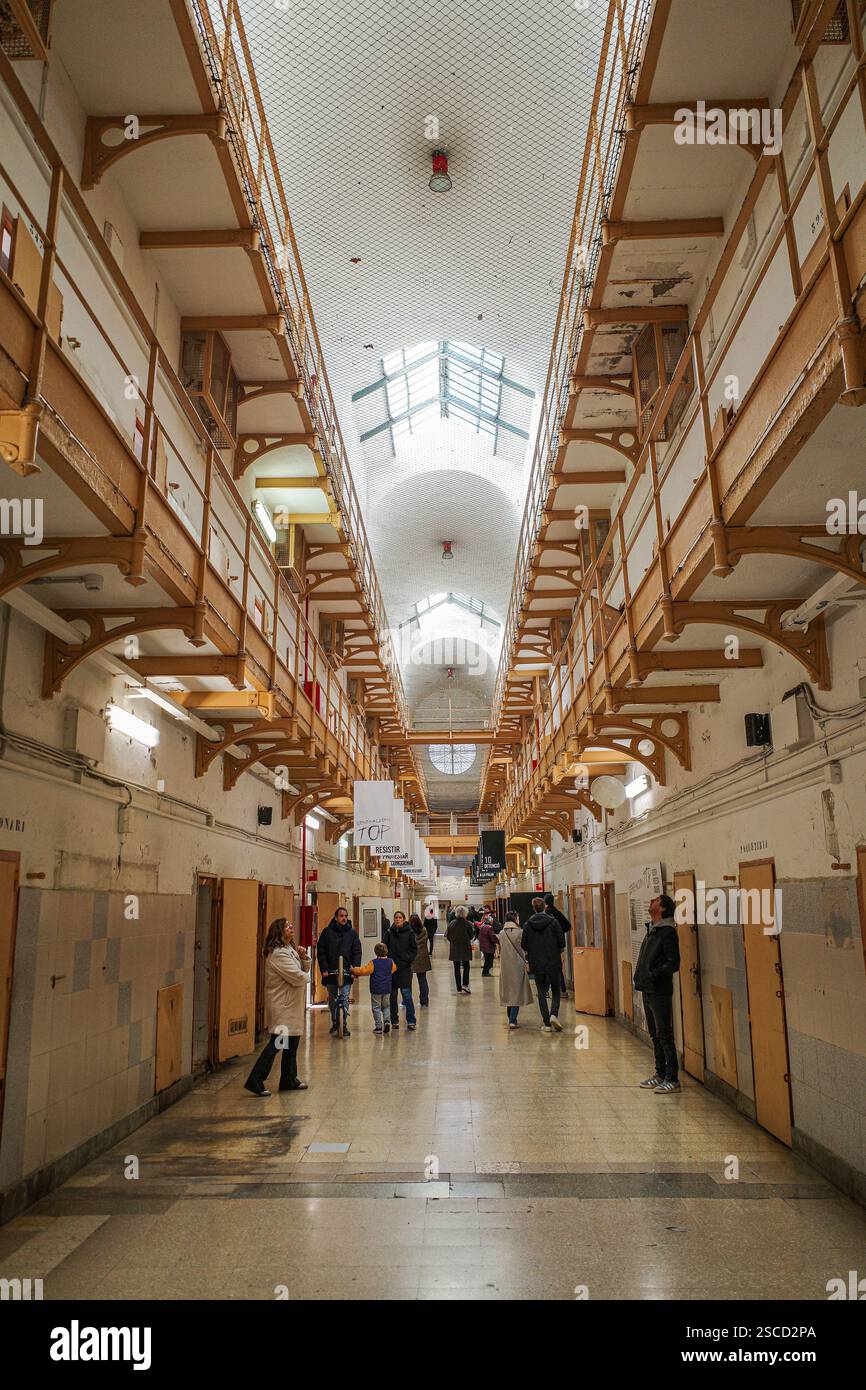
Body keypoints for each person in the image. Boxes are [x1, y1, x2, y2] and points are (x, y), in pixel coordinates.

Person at [244, 918, 310, 1096]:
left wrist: (304, 958)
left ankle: (289, 1078)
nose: (291, 927)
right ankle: (255, 1079)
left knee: (292, 1043)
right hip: (283, 1007)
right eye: (287, 926)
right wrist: (307, 976)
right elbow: (297, 977)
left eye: (291, 925)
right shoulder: (278, 954)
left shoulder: (289, 950)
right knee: (278, 1043)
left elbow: (301, 969)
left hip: (291, 1006)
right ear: (278, 932)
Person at [633, 893, 681, 1093]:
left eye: (656, 900)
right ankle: (660, 1073)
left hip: (659, 990)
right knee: (655, 1034)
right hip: (648, 988)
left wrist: (653, 975)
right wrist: (640, 976)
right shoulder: (653, 930)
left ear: (662, 908)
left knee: (664, 1034)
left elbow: (673, 962)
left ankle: (672, 1078)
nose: (651, 900)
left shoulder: (667, 931)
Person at [316, 904, 361, 1037]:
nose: (344, 918)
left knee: (345, 997)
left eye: (346, 916)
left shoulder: (352, 933)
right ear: (335, 917)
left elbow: (357, 951)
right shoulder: (327, 932)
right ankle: (335, 1022)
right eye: (341, 916)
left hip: (347, 971)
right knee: (333, 998)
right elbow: (321, 951)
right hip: (330, 972)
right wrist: (324, 969)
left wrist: (355, 968)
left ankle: (344, 1024)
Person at [521, 896, 566, 1033]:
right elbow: (561, 942)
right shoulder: (554, 922)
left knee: (541, 991)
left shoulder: (528, 925)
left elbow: (524, 944)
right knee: (556, 990)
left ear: (534, 908)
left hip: (537, 963)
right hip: (553, 962)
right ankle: (554, 1014)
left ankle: (546, 1023)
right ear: (545, 906)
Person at [498, 910, 534, 1028]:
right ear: (515, 919)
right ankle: (512, 1020)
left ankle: (510, 1018)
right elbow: (525, 948)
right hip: (518, 964)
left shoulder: (502, 933)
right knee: (517, 992)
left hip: (505, 965)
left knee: (508, 991)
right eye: (517, 917)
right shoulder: (521, 932)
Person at [352, 941, 396, 1034]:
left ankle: (379, 1027)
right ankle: (387, 1021)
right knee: (386, 1006)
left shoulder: (373, 963)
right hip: (387, 988)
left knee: (376, 1007)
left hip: (376, 989)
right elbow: (394, 969)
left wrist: (354, 970)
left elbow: (365, 971)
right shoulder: (390, 962)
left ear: (376, 952)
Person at [386, 909, 418, 1029]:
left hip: (404, 969)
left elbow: (414, 949)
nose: (398, 919)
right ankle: (394, 1020)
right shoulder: (389, 932)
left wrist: (408, 959)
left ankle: (411, 1020)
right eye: (396, 917)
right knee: (392, 996)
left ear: (404, 920)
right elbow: (384, 947)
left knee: (406, 994)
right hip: (392, 969)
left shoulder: (409, 932)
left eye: (400, 917)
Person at [544, 891, 572, 993]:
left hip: (547, 944)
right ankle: (562, 988)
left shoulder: (544, 914)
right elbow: (568, 926)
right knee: (557, 966)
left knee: (547, 967)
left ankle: (545, 990)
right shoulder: (557, 913)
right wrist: (559, 933)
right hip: (557, 945)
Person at [446, 904, 474, 994]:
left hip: (455, 948)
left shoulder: (452, 923)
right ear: (465, 914)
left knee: (456, 968)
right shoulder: (468, 924)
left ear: (456, 913)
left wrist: (453, 941)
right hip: (465, 947)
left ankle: (458, 987)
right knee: (466, 966)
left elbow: (448, 936)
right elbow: (471, 936)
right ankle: (465, 985)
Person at [410, 911, 432, 1006]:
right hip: (422, 957)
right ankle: (424, 1001)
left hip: (411, 957)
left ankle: (406, 1001)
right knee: (422, 980)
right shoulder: (424, 930)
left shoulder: (409, 931)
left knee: (407, 981)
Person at [478, 911, 499, 977]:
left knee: (487, 960)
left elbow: (479, 937)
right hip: (488, 947)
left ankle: (485, 972)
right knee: (489, 960)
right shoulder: (489, 928)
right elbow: (492, 937)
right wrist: (498, 941)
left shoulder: (483, 927)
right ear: (490, 921)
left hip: (483, 946)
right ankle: (485, 972)